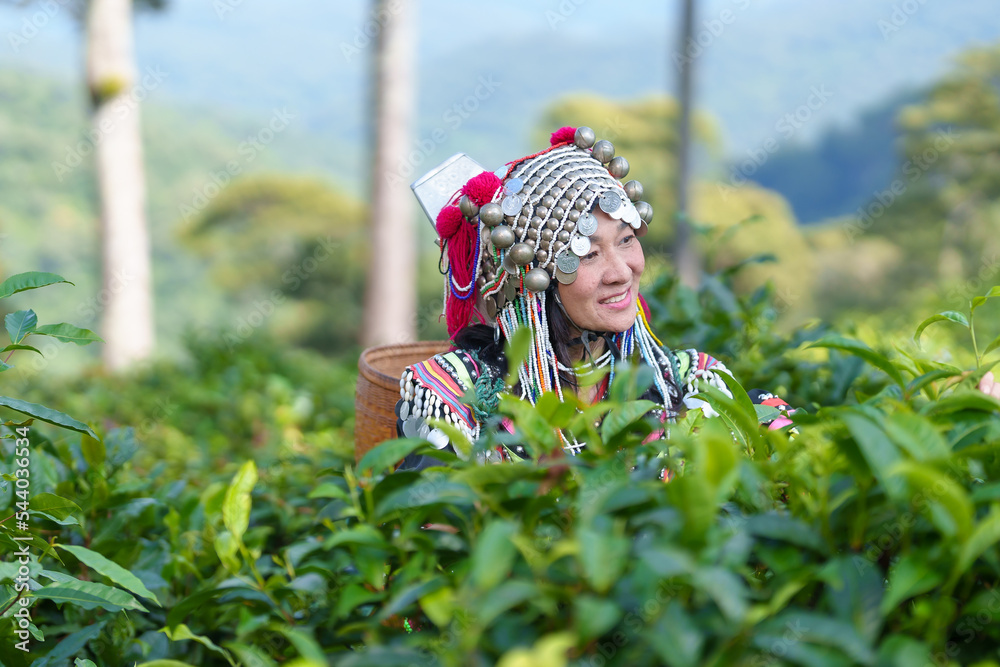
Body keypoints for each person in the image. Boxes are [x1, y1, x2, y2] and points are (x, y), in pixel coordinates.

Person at [394, 125, 794, 470]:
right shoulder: (451, 397)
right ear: (532, 279)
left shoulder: (689, 381)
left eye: (626, 240)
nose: (621, 272)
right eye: (587, 254)